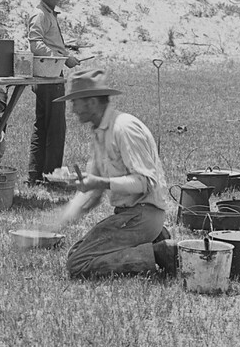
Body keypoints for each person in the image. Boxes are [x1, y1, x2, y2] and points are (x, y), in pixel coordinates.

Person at [55, 68, 178, 279]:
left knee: (78, 264)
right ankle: (156, 241)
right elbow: (92, 192)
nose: (73, 110)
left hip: (142, 214)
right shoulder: (100, 132)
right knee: (76, 253)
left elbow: (144, 183)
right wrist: (56, 220)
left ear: (92, 102)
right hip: (129, 215)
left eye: (75, 102)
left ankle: (156, 253)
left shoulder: (124, 128)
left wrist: (99, 182)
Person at [27, 0, 88, 183]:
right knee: (55, 129)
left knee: (44, 126)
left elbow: (48, 43)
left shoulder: (48, 14)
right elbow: (36, 44)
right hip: (49, 76)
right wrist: (62, 59)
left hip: (50, 74)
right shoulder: (40, 14)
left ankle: (36, 174)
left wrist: (65, 54)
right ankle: (50, 175)